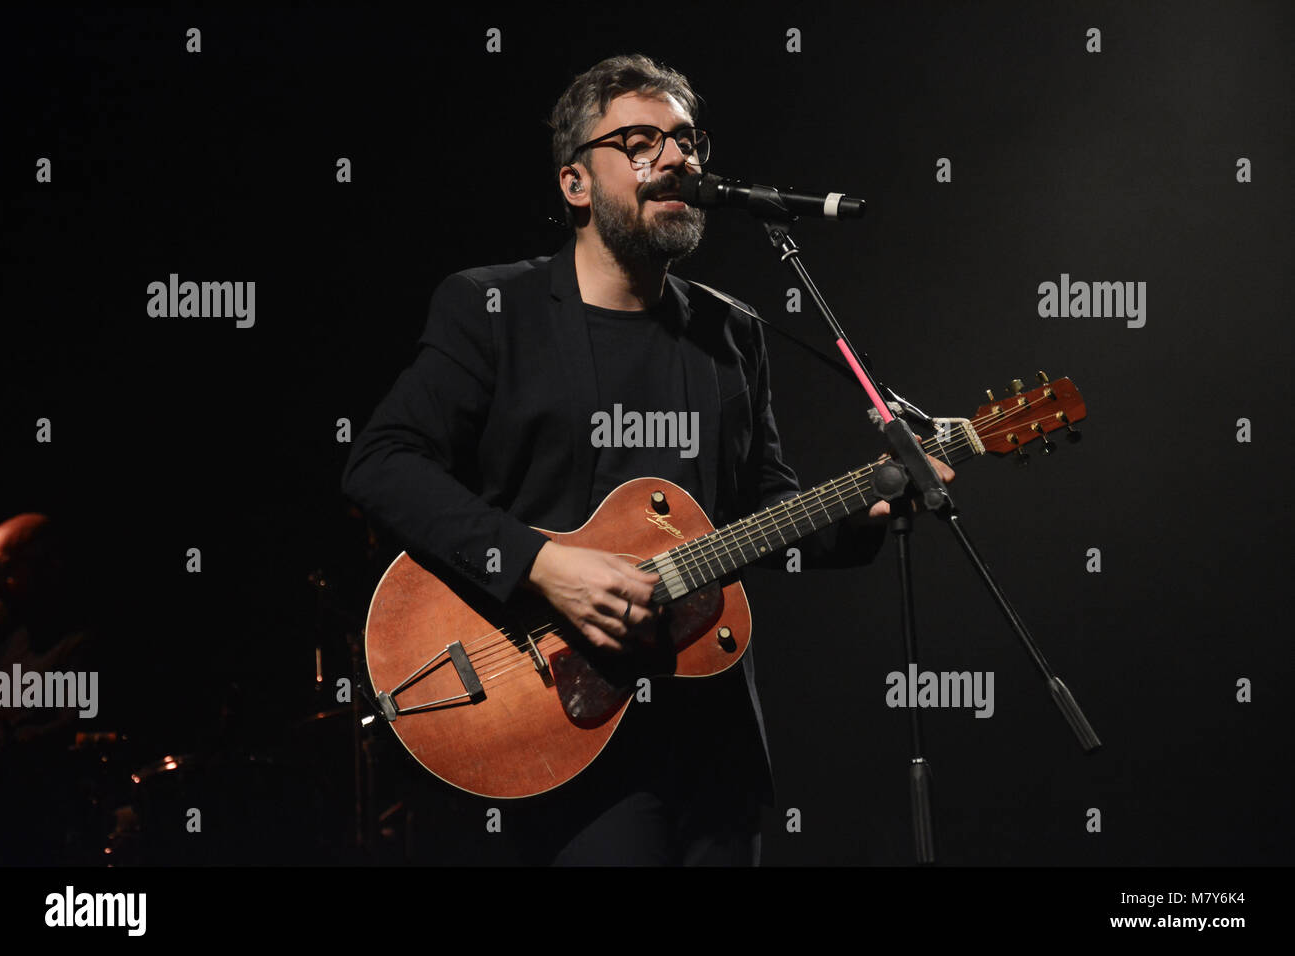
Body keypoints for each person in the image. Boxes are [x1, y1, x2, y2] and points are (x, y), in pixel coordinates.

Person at [342, 53, 954, 865]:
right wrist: (541, 563)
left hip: (712, 743)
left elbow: (764, 509)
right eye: (638, 142)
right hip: (558, 725)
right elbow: (380, 463)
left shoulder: (729, 333)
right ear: (575, 185)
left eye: (686, 140)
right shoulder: (495, 310)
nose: (674, 160)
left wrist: (873, 511)